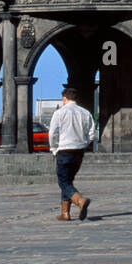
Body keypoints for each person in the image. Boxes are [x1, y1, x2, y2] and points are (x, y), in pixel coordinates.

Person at [47, 86, 97, 222]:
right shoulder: (85, 113)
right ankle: (65, 213)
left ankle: (80, 200)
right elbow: (92, 134)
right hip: (79, 151)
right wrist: (84, 144)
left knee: (63, 181)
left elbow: (52, 133)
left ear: (64, 98)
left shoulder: (59, 113)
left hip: (64, 150)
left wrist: (53, 148)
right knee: (68, 181)